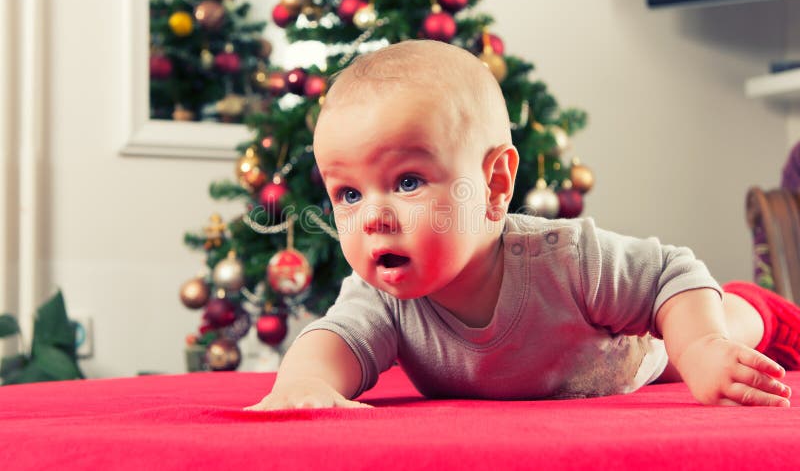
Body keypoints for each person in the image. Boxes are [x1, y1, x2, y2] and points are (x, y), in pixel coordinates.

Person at [247, 40, 800, 410]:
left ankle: (763, 309)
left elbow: (668, 276)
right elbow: (334, 341)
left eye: (408, 182)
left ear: (492, 186)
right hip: (569, 373)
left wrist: (702, 345)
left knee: (701, 349)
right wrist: (304, 383)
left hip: (629, 355)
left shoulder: (565, 259)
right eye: (347, 193)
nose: (372, 217)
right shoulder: (384, 297)